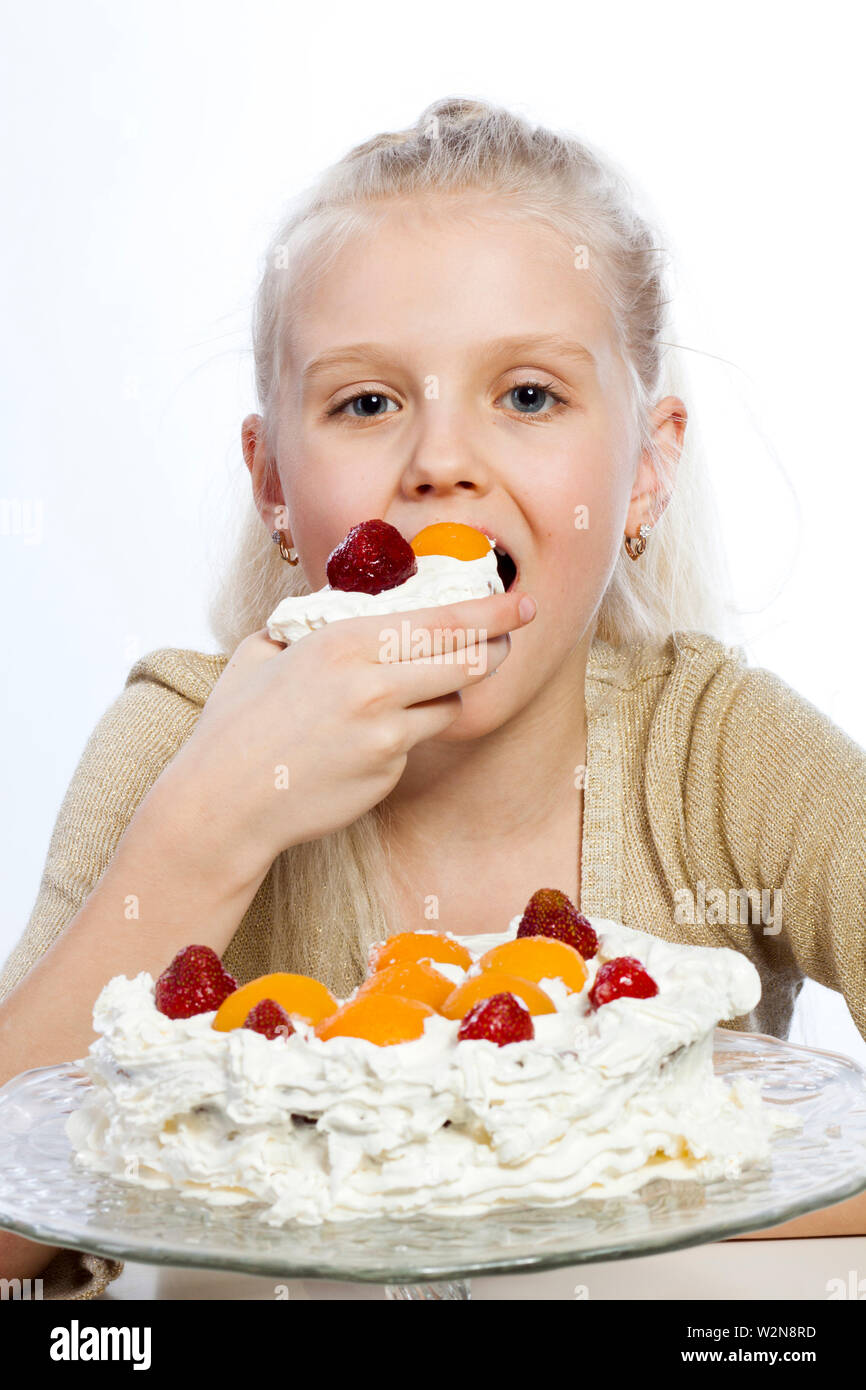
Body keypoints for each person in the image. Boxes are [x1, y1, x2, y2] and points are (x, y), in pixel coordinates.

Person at [2, 96, 864, 1299]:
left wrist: (560, 1187)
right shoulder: (177, 743)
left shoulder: (721, 753)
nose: (438, 461)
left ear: (645, 470)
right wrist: (213, 823)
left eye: (526, 395)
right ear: (271, 485)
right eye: (366, 402)